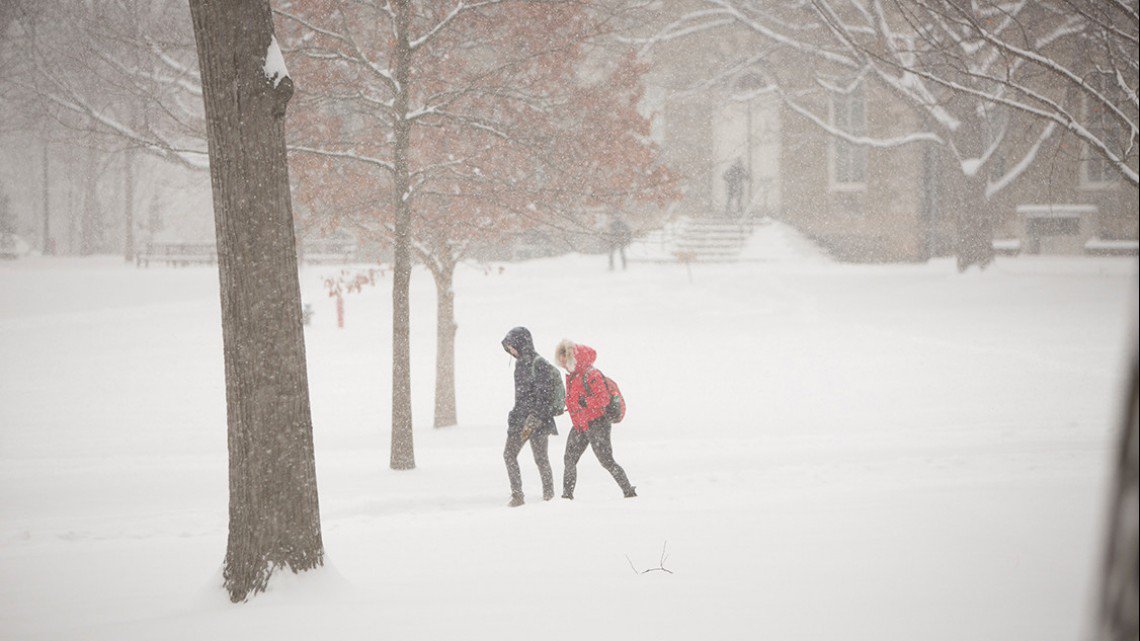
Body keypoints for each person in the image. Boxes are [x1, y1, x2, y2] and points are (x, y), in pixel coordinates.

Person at [555, 339, 636, 499]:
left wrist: (585, 402)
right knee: (569, 459)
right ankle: (566, 496)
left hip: (598, 424)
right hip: (580, 424)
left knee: (606, 461)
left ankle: (629, 491)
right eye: (561, 361)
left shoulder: (591, 374)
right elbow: (574, 400)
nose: (563, 364)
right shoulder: (573, 376)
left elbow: (603, 399)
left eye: (565, 360)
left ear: (573, 358)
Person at [501, 326, 562, 507]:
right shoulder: (521, 363)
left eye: (511, 345)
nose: (510, 350)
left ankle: (532, 497)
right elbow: (522, 397)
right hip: (528, 419)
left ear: (520, 343)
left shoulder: (537, 364)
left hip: (535, 420)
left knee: (524, 456)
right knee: (530, 457)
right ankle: (538, 495)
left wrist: (534, 417)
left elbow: (542, 395)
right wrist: (515, 417)